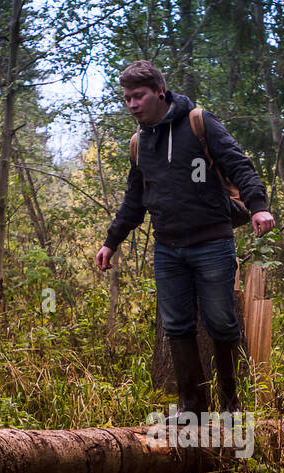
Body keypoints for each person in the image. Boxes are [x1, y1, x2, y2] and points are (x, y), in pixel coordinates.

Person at [95, 60, 274, 420]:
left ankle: (230, 405)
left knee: (221, 322)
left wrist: (257, 207)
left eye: (138, 96)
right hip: (167, 249)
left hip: (212, 243)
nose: (131, 104)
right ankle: (191, 407)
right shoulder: (139, 143)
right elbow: (134, 200)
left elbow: (240, 166)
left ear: (159, 92)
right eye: (126, 98)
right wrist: (111, 241)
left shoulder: (199, 123)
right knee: (176, 325)